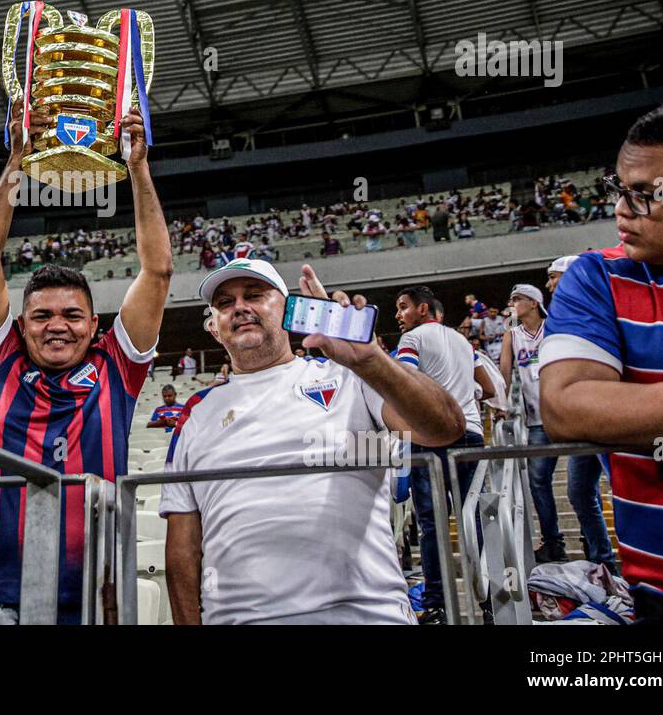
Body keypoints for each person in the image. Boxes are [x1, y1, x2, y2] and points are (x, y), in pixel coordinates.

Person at [0, 99, 171, 623]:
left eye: (73, 315)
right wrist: (16, 163)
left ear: (95, 327)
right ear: (20, 325)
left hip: (96, 592)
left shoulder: (115, 366)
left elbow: (159, 270)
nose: (57, 325)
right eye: (42, 315)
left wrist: (138, 169)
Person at [162, 261, 465, 624]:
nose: (239, 306)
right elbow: (182, 545)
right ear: (214, 328)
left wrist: (371, 361)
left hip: (366, 615)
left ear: (290, 311)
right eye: (225, 303)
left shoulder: (351, 377)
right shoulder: (196, 413)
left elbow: (444, 428)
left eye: (255, 295)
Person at [541, 97, 663, 622]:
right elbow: (567, 407)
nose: (620, 209)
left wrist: (661, 412)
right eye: (620, 190)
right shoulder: (600, 278)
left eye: (645, 196)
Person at [394, 284, 488, 623]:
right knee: (473, 519)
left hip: (431, 436)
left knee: (432, 526)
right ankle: (490, 601)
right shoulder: (464, 342)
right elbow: (488, 388)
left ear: (422, 310)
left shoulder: (413, 340)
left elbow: (404, 380)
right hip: (472, 435)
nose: (398, 314)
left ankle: (437, 604)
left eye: (403, 307)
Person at [546, 255, 615, 570]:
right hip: (584, 419)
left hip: (612, 415)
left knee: (624, 488)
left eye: (554, 276)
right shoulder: (561, 317)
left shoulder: (598, 306)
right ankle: (604, 561)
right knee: (578, 491)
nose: (549, 284)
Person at [499, 283, 565, 562]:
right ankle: (553, 542)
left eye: (517, 299)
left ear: (534, 303)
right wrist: (500, 406)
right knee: (538, 481)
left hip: (567, 414)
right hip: (537, 420)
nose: (512, 303)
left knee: (581, 486)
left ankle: (593, 542)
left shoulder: (556, 328)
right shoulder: (511, 336)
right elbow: (504, 376)